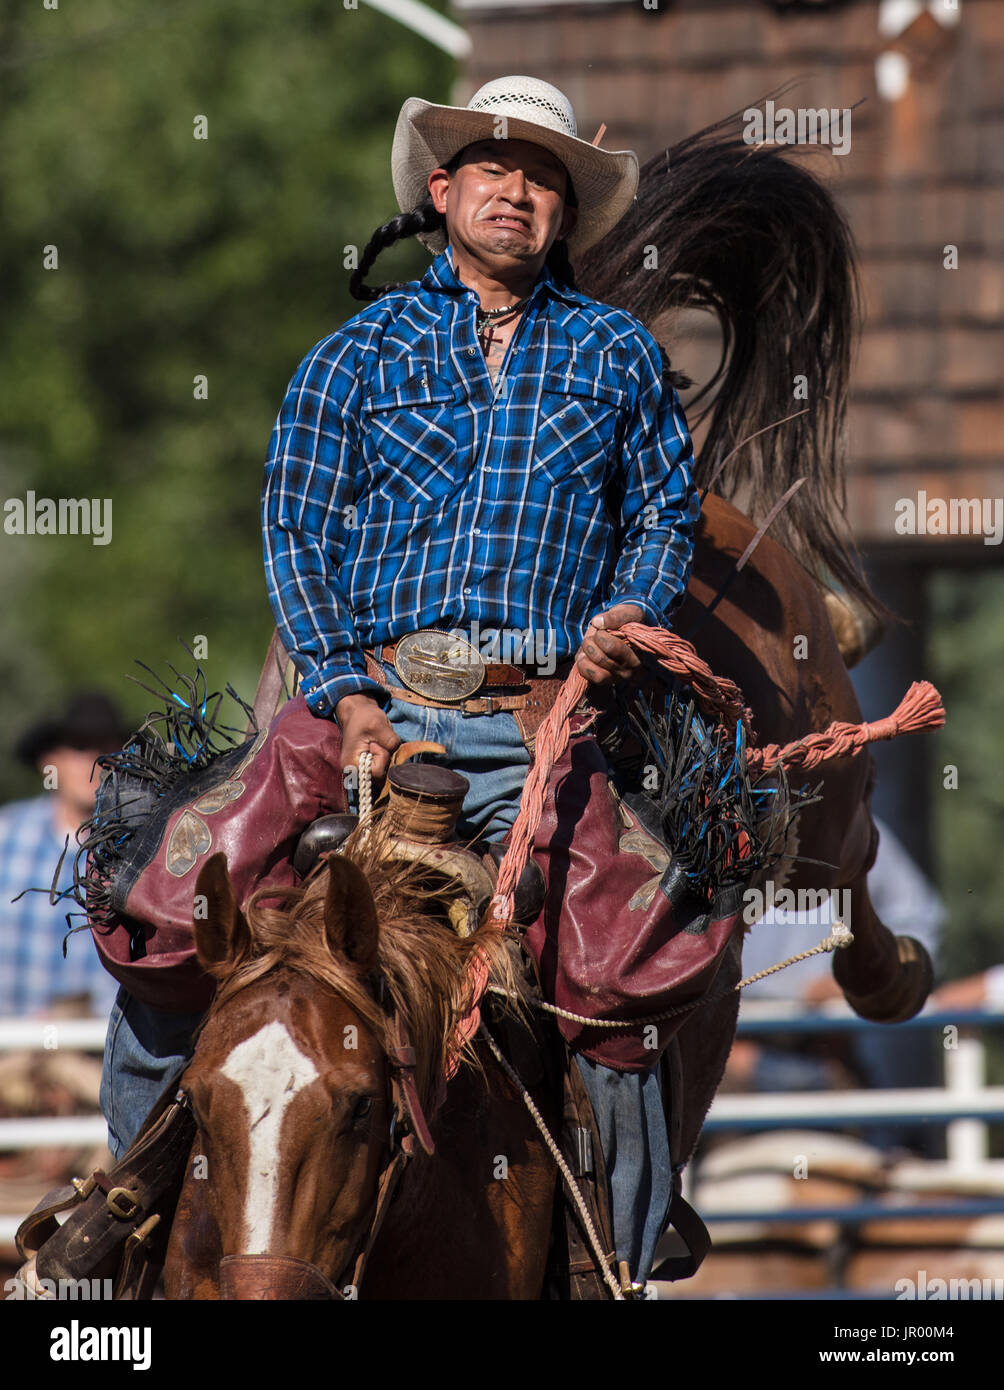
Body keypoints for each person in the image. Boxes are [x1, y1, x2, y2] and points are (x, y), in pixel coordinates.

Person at [261, 75, 701, 1287]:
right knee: (177, 895)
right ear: (440, 193)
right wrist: (347, 695)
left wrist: (625, 614)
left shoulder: (614, 353)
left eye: (543, 176)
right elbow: (295, 532)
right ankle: (130, 1204)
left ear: (563, 211)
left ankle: (618, 1239)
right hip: (364, 707)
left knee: (614, 976)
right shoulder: (351, 356)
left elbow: (662, 516)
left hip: (540, 717)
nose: (517, 191)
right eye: (492, 170)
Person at [0, 693, 124, 1018]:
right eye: (81, 747)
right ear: (50, 761)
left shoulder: (143, 849)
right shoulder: (6, 838)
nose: (95, 760)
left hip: (102, 1059)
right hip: (10, 1054)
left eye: (106, 748)